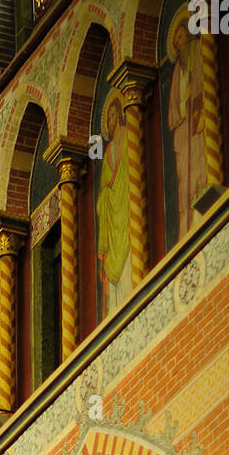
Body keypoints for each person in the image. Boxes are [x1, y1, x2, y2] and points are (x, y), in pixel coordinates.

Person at [168, 13, 207, 237]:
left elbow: (202, 86)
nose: (180, 43)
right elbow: (174, 110)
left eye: (181, 37)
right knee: (184, 178)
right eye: (176, 42)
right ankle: (187, 224)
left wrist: (195, 103)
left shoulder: (199, 52)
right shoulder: (176, 72)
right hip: (184, 131)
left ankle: (203, 211)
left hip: (198, 124)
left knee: (200, 167)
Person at [96, 91, 132, 316]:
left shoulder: (128, 137)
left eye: (112, 115)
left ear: (120, 115)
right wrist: (103, 200)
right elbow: (99, 186)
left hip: (127, 213)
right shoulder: (102, 148)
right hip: (110, 218)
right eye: (106, 117)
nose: (110, 120)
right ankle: (113, 310)